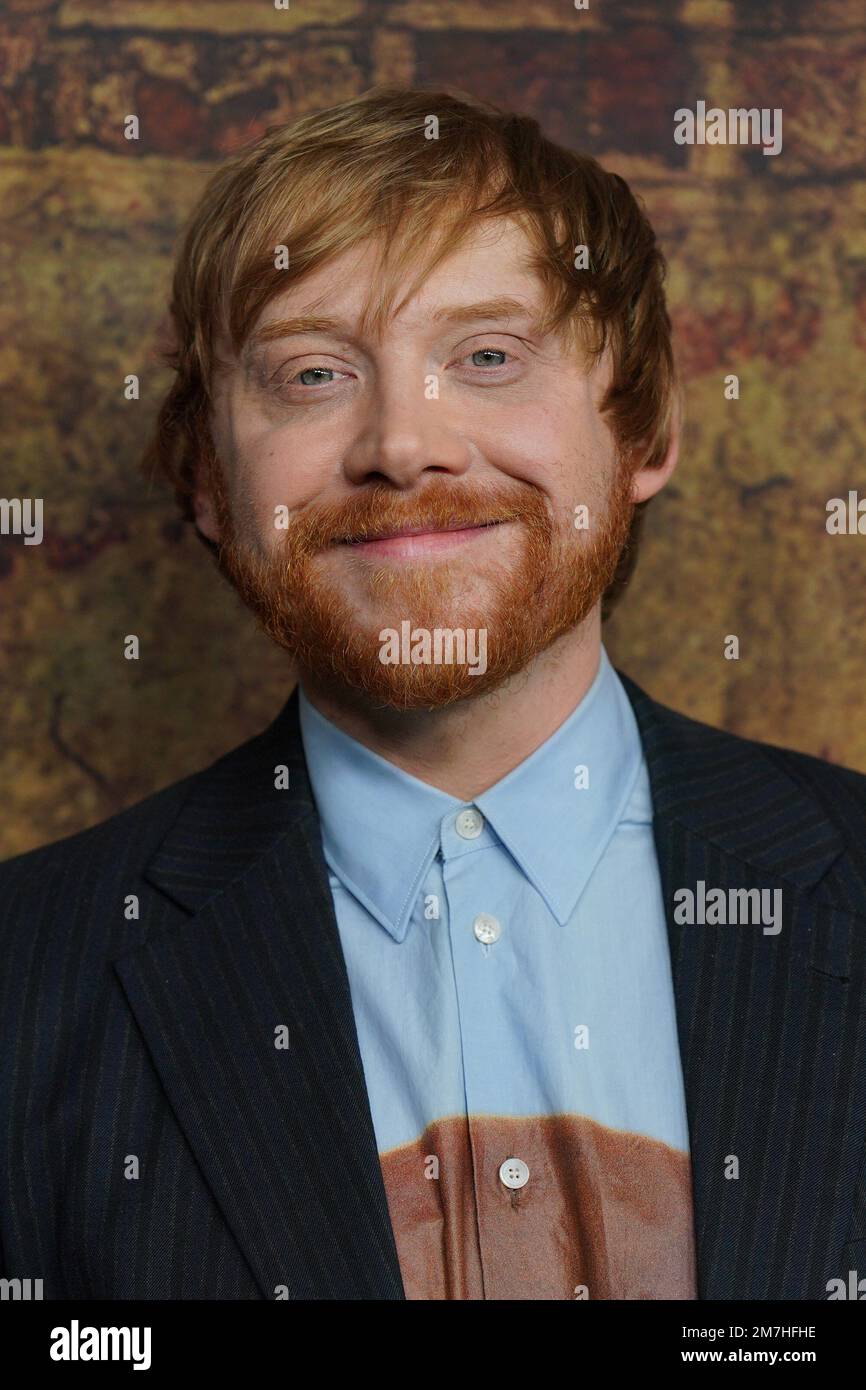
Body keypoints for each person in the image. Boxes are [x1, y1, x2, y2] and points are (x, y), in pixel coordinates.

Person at [2, 87, 865, 1302]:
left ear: (644, 429)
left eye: (488, 357)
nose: (403, 443)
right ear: (204, 476)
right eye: (310, 374)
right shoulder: (24, 975)